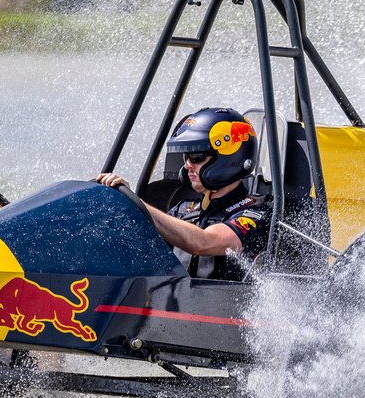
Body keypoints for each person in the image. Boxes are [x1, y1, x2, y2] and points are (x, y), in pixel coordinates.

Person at [96, 107, 270, 280]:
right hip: (173, 302)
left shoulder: (255, 214)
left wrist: (138, 204)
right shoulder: (184, 210)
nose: (187, 165)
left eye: (197, 157)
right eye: (187, 157)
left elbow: (203, 242)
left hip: (224, 305)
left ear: (229, 158)